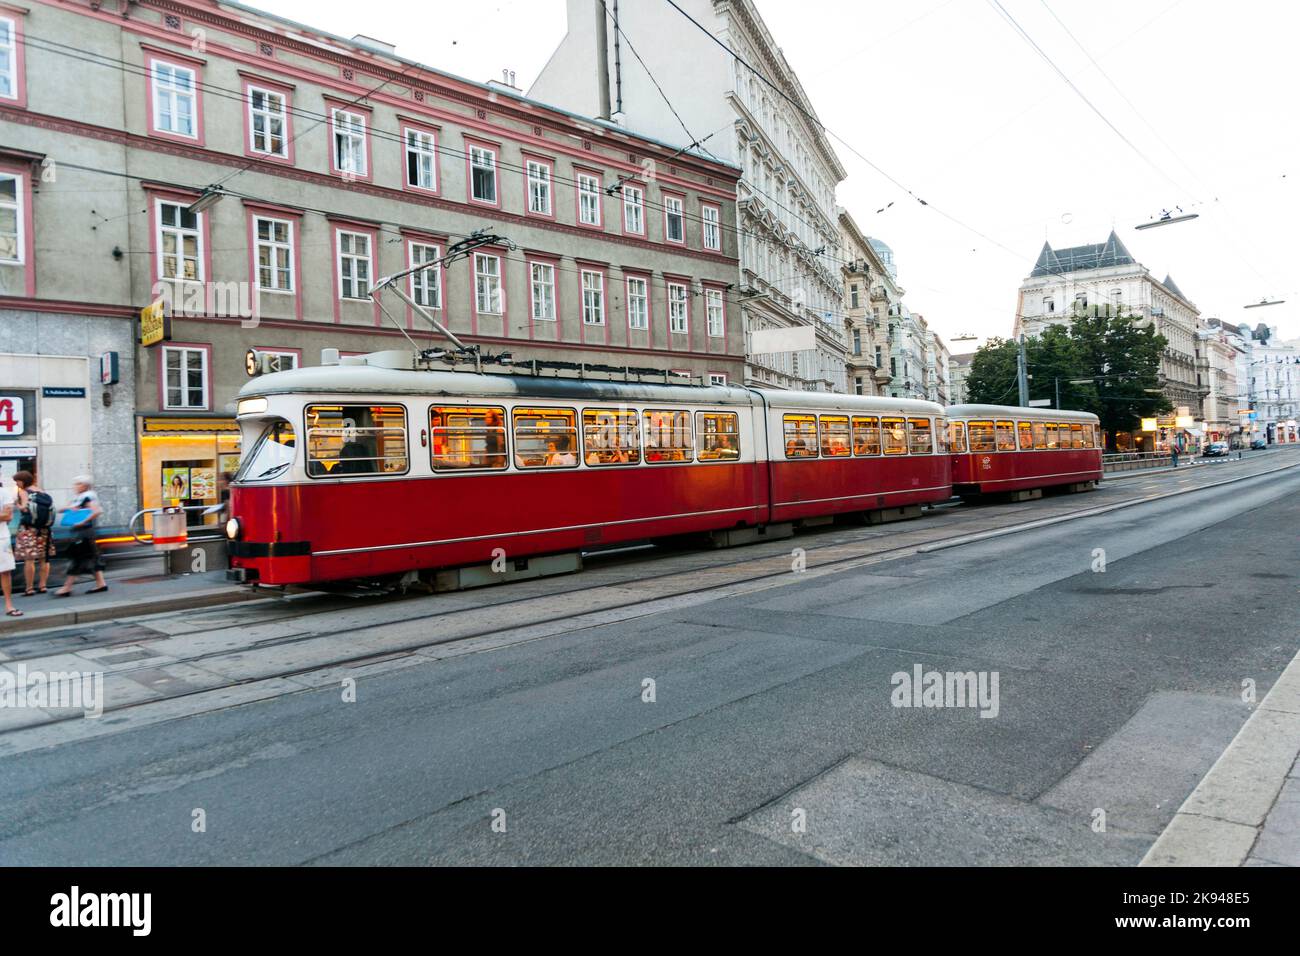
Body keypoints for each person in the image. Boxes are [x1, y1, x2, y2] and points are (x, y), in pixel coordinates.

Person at [54, 476, 107, 597]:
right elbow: (61, 510)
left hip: (84, 532)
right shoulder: (79, 498)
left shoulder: (88, 496)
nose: (75, 486)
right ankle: (101, 583)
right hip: (83, 532)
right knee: (91, 557)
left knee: (78, 558)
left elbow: (97, 511)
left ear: (84, 485)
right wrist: (70, 508)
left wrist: (82, 521)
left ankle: (67, 587)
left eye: (78, 484)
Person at [13, 471, 54, 596]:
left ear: (23, 481)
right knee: (44, 559)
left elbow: (25, 508)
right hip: (44, 530)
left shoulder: (24, 492)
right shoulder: (42, 491)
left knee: (29, 559)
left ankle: (29, 588)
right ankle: (42, 586)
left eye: (17, 481)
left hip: (29, 530)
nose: (16, 484)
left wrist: (17, 504)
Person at [0, 479, 20, 617]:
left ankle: (8, 605)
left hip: (1, 538)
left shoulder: (4, 493)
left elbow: (8, 516)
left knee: (5, 572)